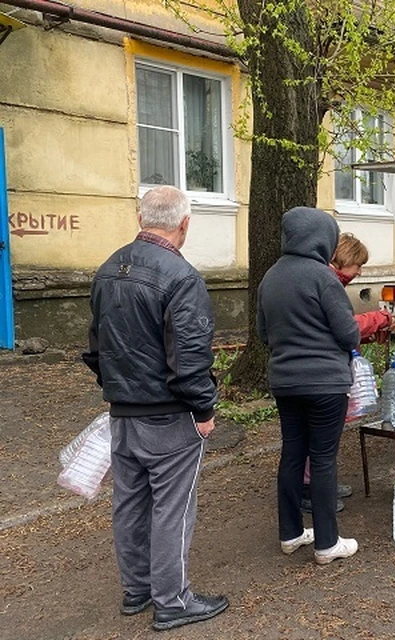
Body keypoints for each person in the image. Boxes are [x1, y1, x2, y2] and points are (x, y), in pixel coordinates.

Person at [82, 186, 228, 631]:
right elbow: (189, 357)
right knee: (173, 506)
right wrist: (204, 408)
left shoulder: (108, 269)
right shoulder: (181, 277)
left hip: (123, 411)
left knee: (129, 501)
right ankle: (173, 599)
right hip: (168, 414)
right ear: (184, 224)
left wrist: (117, 388)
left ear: (141, 218)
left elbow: (95, 345)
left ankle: (137, 589)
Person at [258, 207, 361, 565]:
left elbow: (262, 334)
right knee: (322, 460)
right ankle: (327, 544)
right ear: (323, 238)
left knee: (292, 454)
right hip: (325, 384)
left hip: (285, 382)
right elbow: (348, 333)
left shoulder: (269, 278)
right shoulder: (323, 278)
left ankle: (290, 534)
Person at [300, 232, 394, 514]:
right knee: (317, 437)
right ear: (344, 260)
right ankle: (310, 491)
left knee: (325, 435)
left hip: (318, 368)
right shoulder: (327, 282)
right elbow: (344, 327)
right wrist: (379, 319)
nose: (359, 272)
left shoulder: (325, 281)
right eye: (358, 265)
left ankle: (320, 483)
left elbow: (334, 330)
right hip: (319, 374)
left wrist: (363, 337)